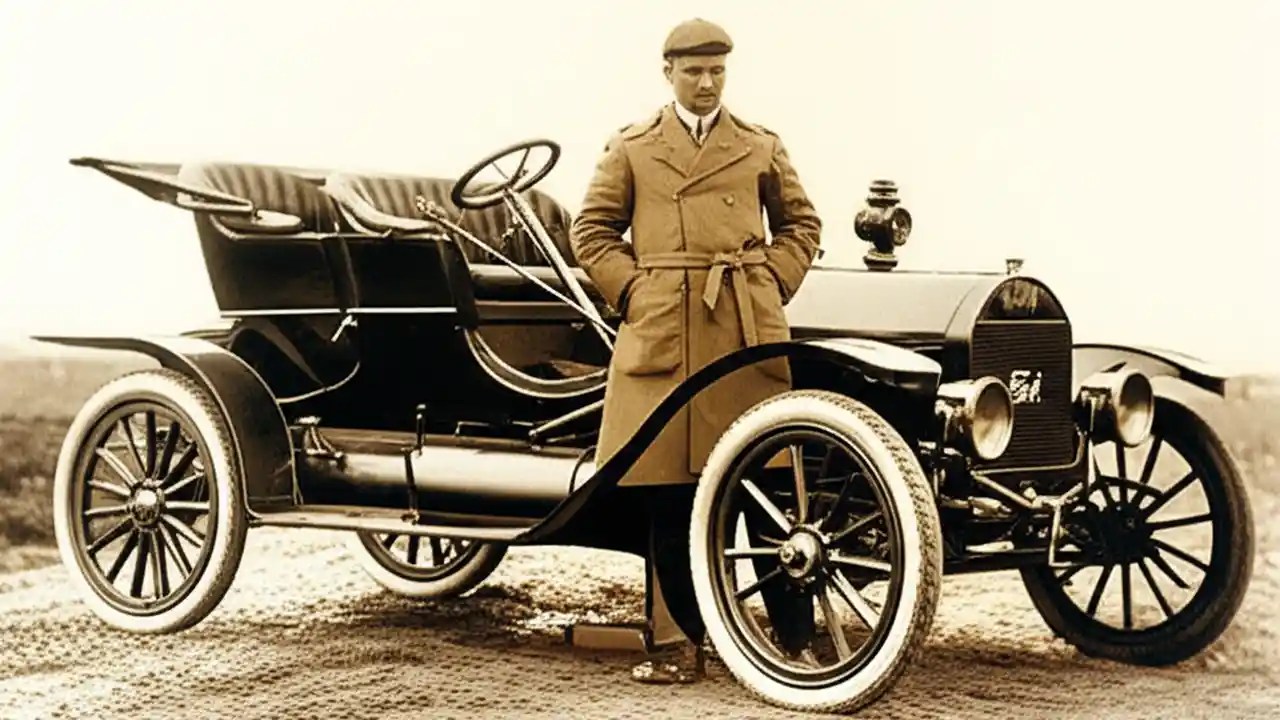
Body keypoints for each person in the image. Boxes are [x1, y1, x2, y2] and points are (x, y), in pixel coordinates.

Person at [570, 18, 823, 683]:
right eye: (694, 72)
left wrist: (772, 280)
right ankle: (682, 649)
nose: (706, 83)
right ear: (669, 74)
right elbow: (591, 231)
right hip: (665, 334)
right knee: (671, 499)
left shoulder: (760, 146)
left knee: (765, 491)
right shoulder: (631, 148)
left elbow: (802, 224)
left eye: (717, 72)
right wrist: (637, 293)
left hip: (743, 328)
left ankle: (797, 646)